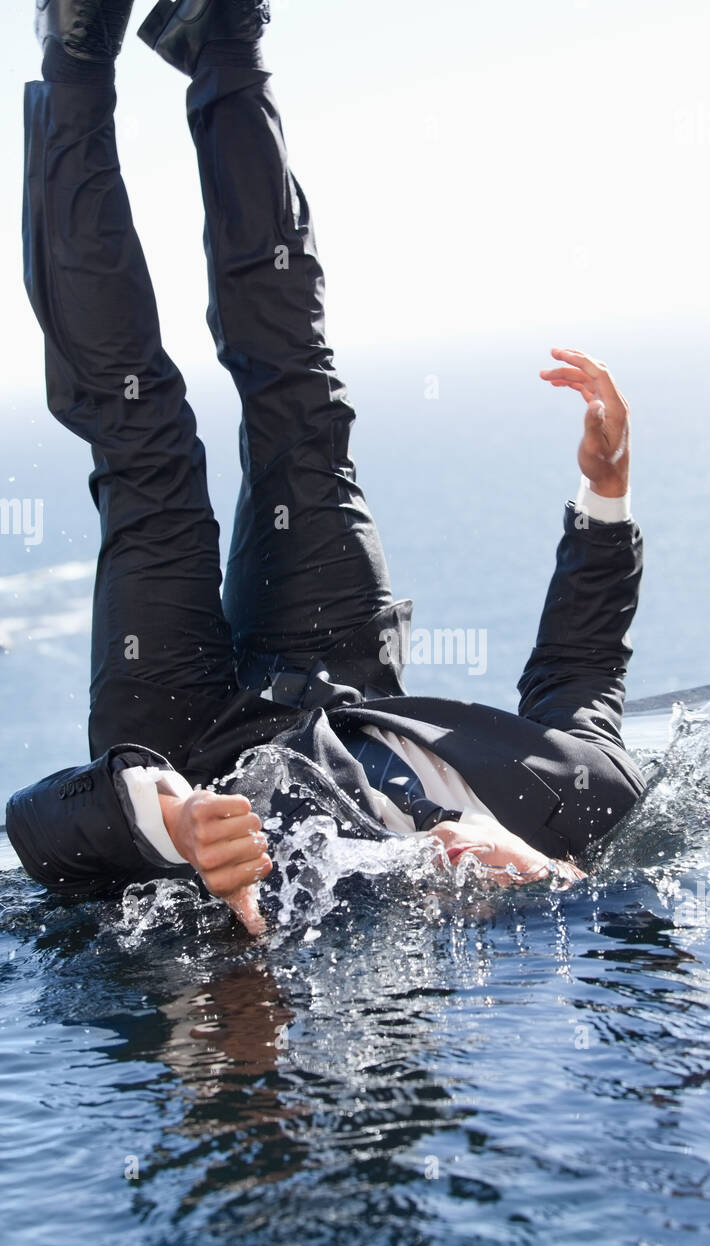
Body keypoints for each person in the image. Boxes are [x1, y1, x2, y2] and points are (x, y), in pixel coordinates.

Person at [6, 0, 645, 933]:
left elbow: (38, 823)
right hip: (338, 662)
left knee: (148, 441)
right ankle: (221, 40)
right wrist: (607, 487)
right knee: (303, 400)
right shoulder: (583, 797)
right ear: (546, 869)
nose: (475, 873)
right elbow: (581, 671)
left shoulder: (306, 902)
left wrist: (174, 820)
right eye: (513, 878)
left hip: (186, 745)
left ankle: (75, 57)